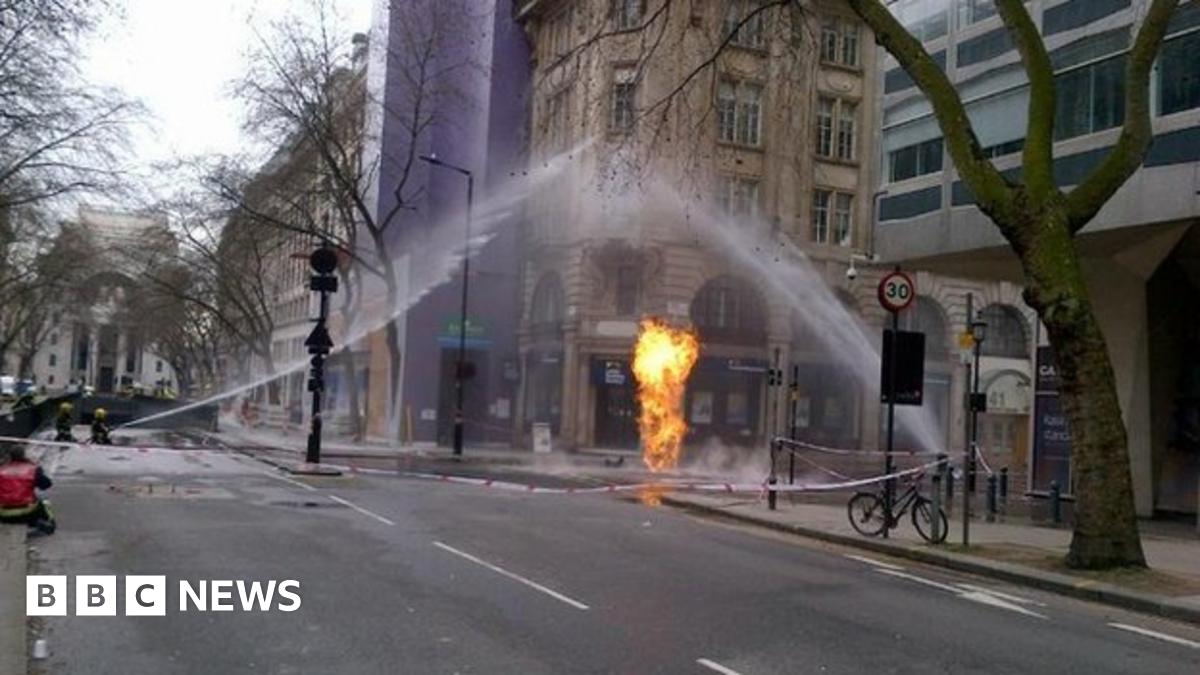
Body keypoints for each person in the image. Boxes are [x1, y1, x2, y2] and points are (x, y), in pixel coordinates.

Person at [0, 443, 55, 535]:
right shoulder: (32, 469)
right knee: (44, 499)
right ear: (24, 455)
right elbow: (46, 485)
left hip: (3, 513)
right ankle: (47, 523)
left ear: (9, 456)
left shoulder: (1, 469)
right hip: (27, 511)